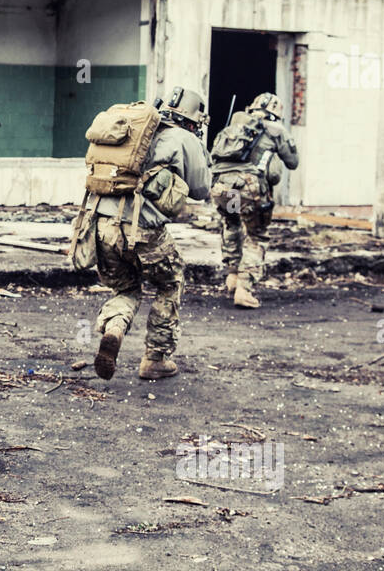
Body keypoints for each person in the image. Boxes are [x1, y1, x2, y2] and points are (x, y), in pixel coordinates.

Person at [89, 88, 211, 381]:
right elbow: (202, 189)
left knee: (126, 289)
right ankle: (155, 358)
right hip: (142, 230)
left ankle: (115, 328)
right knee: (170, 282)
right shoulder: (185, 138)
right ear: (194, 121)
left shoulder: (138, 129)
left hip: (102, 226)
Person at [208, 91, 299, 309]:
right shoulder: (276, 130)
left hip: (223, 187)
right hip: (248, 188)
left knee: (231, 224)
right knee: (256, 235)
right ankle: (244, 289)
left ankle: (231, 277)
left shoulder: (233, 126)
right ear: (276, 112)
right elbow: (292, 162)